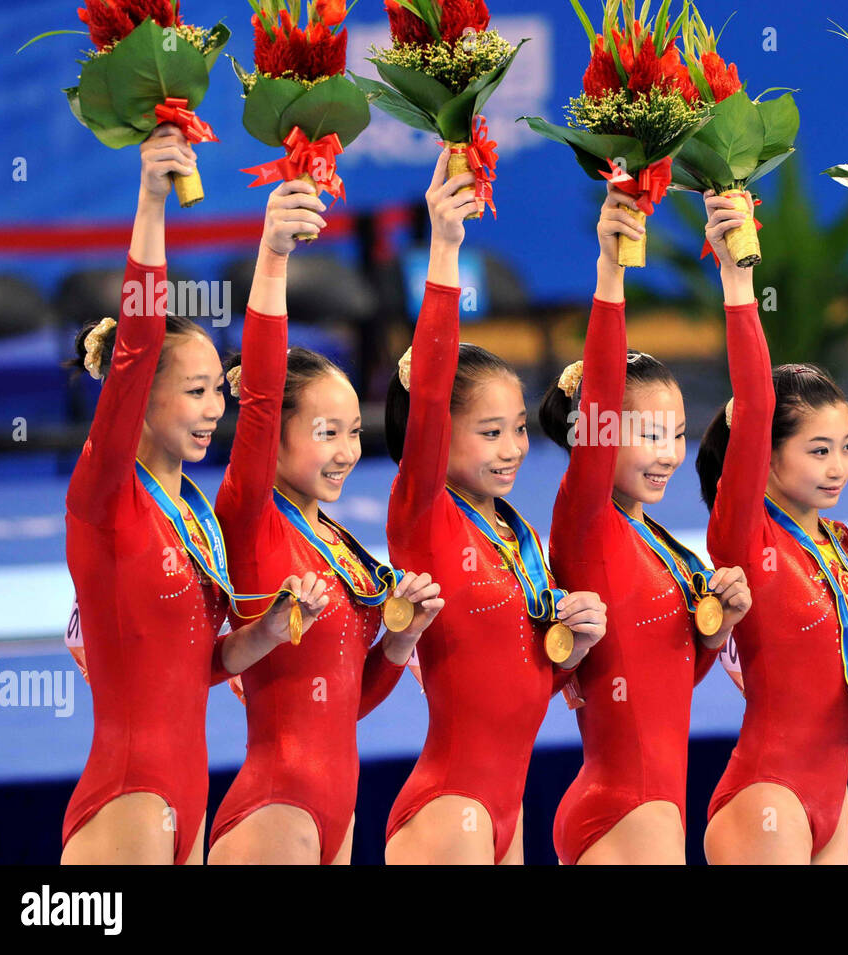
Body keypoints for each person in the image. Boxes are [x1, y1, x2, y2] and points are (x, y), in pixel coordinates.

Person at [61, 125, 329, 865]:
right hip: (127, 793)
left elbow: (200, 664)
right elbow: (138, 344)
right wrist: (152, 203)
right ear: (140, 400)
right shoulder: (107, 497)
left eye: (218, 390)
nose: (216, 407)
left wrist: (269, 631)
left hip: (188, 799)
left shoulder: (196, 515)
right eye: (195, 391)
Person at [207, 180, 444, 864]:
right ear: (274, 438)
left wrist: (403, 636)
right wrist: (273, 256)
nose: (347, 450)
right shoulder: (252, 516)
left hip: (335, 809)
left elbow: (348, 702)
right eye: (325, 432)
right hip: (275, 807)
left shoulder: (339, 544)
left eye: (352, 431)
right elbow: (257, 393)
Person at [383, 149, 607, 864]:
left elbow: (533, 676)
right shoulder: (425, 511)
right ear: (436, 433)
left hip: (503, 809)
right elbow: (432, 381)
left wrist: (580, 639)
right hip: (449, 807)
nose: (513, 447)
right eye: (489, 432)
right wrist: (444, 245)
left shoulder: (521, 536)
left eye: (516, 428)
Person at [694, 192, 848, 864]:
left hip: (830, 798)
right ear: (765, 455)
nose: (840, 466)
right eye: (818, 450)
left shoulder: (843, 546)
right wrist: (737, 278)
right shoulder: (744, 534)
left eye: (846, 445)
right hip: (765, 796)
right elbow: (755, 401)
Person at [538, 186, 751, 864]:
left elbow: (661, 678)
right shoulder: (587, 518)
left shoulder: (660, 547)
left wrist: (718, 628)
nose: (668, 452)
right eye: (649, 432)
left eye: (678, 434)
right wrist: (611, 267)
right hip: (625, 809)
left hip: (648, 806)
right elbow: (600, 390)